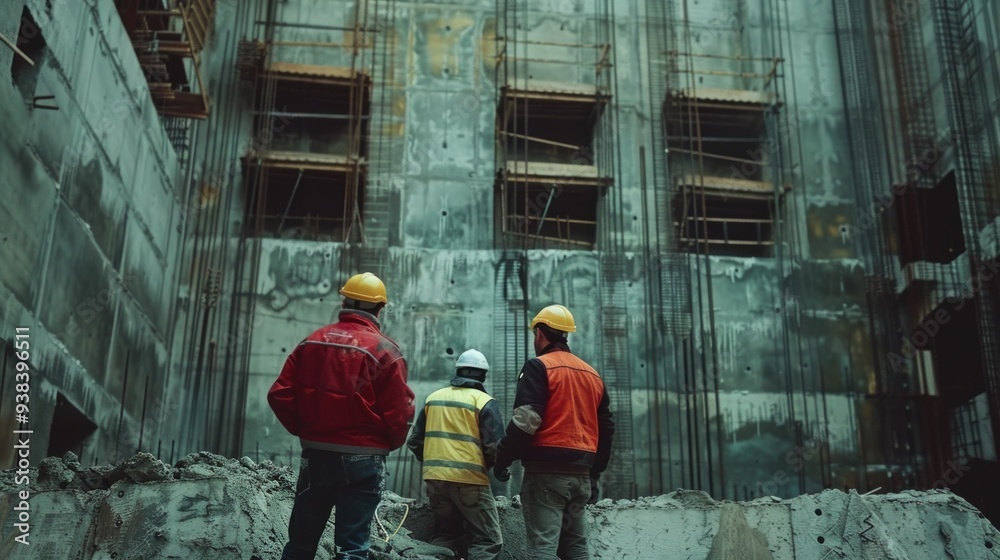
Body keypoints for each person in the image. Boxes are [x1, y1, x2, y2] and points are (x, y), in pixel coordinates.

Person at [268, 272, 415, 560]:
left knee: (300, 544)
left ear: (345, 300)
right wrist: (383, 443)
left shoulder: (312, 341)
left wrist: (307, 430)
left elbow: (280, 394)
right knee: (352, 548)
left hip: (317, 455)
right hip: (364, 461)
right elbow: (400, 412)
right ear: (380, 308)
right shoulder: (386, 350)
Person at [492, 304, 614, 560]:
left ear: (539, 333)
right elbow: (607, 429)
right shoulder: (592, 374)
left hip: (546, 476)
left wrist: (502, 458)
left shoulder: (539, 367)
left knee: (542, 548)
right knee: (576, 548)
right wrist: (594, 475)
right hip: (581, 476)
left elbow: (527, 420)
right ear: (565, 335)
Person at [406, 349, 505, 559]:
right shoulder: (484, 401)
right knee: (487, 541)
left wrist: (435, 463)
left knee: (446, 535)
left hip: (435, 481)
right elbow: (494, 447)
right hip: (470, 481)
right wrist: (493, 466)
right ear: (482, 376)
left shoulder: (433, 399)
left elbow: (415, 441)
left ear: (457, 371)